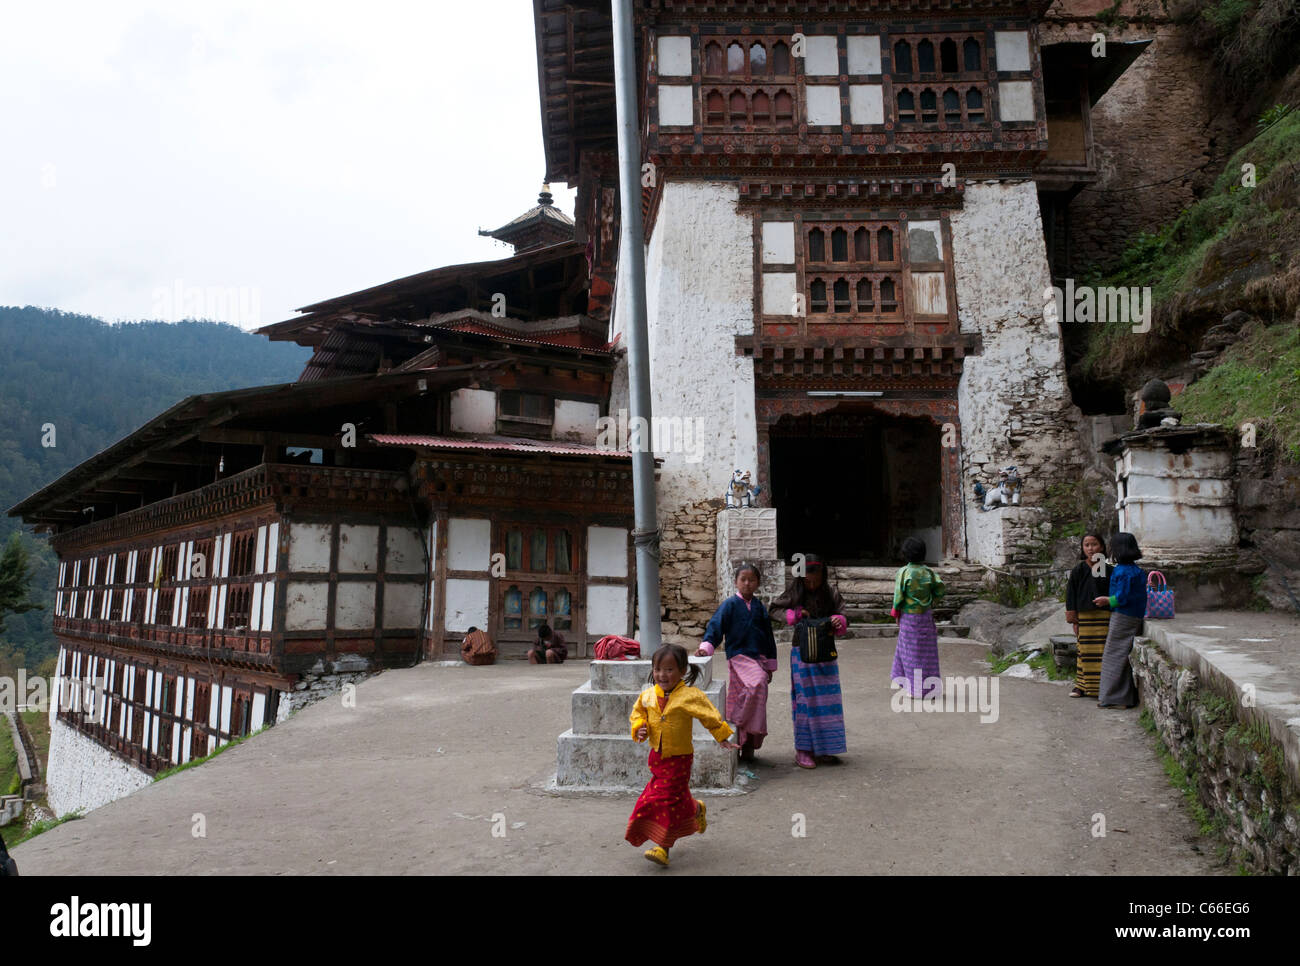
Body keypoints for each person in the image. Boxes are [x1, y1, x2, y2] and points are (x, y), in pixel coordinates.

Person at [626, 644, 738, 867]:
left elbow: (710, 717)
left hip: (679, 759)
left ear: (683, 671)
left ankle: (662, 847)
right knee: (675, 799)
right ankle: (696, 808)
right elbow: (637, 714)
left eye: (669, 670)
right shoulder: (647, 696)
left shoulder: (690, 696)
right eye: (658, 669)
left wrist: (723, 736)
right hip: (657, 758)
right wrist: (639, 727)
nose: (662, 675)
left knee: (663, 800)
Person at [694, 563, 778, 761]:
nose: (747, 583)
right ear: (736, 582)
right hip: (738, 657)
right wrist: (706, 648)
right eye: (743, 579)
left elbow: (768, 637)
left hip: (758, 659)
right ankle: (737, 728)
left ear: (757, 583)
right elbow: (716, 627)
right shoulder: (729, 605)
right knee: (755, 684)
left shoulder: (759, 608)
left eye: (751, 580)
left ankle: (748, 745)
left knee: (751, 697)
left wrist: (769, 664)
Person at [772, 554, 848, 769]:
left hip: (825, 654)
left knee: (827, 703)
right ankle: (804, 750)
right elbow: (774, 609)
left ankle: (824, 749)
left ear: (822, 576)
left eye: (815, 578)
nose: (811, 583)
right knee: (805, 702)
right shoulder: (795, 591)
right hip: (802, 653)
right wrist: (795, 614)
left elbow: (842, 613)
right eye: (808, 579)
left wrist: (838, 620)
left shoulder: (831, 592)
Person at [1092, 531, 1145, 709]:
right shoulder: (1136, 571)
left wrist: (1107, 600)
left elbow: (1122, 597)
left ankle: (1115, 697)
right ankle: (1121, 696)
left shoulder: (1123, 572)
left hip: (1123, 615)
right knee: (1121, 654)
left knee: (1113, 655)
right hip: (1134, 615)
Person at [890, 536, 946, 697]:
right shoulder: (928, 572)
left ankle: (913, 688)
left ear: (905, 554)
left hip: (909, 618)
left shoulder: (904, 572)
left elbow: (898, 596)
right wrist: (930, 601)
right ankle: (930, 687)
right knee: (927, 652)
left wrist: (896, 612)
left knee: (909, 652)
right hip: (926, 617)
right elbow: (940, 590)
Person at [1065, 534, 1112, 698]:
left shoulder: (1108, 569)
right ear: (1082, 548)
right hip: (1084, 618)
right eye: (1086, 545)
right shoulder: (1078, 570)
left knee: (1101, 652)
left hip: (1104, 618)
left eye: (1094, 544)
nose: (1090, 548)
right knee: (1083, 651)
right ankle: (1081, 686)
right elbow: (1071, 594)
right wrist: (1073, 618)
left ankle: (1102, 688)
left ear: (1102, 547)